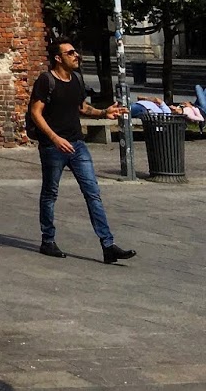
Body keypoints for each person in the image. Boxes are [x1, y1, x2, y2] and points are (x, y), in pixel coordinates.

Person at [27, 38, 135, 263]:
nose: (76, 56)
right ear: (58, 58)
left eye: (76, 52)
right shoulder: (46, 81)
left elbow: (81, 107)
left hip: (77, 145)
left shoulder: (76, 79)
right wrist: (55, 139)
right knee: (50, 194)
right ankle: (48, 240)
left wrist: (104, 113)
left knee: (92, 193)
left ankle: (108, 246)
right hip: (52, 147)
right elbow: (36, 113)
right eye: (71, 53)